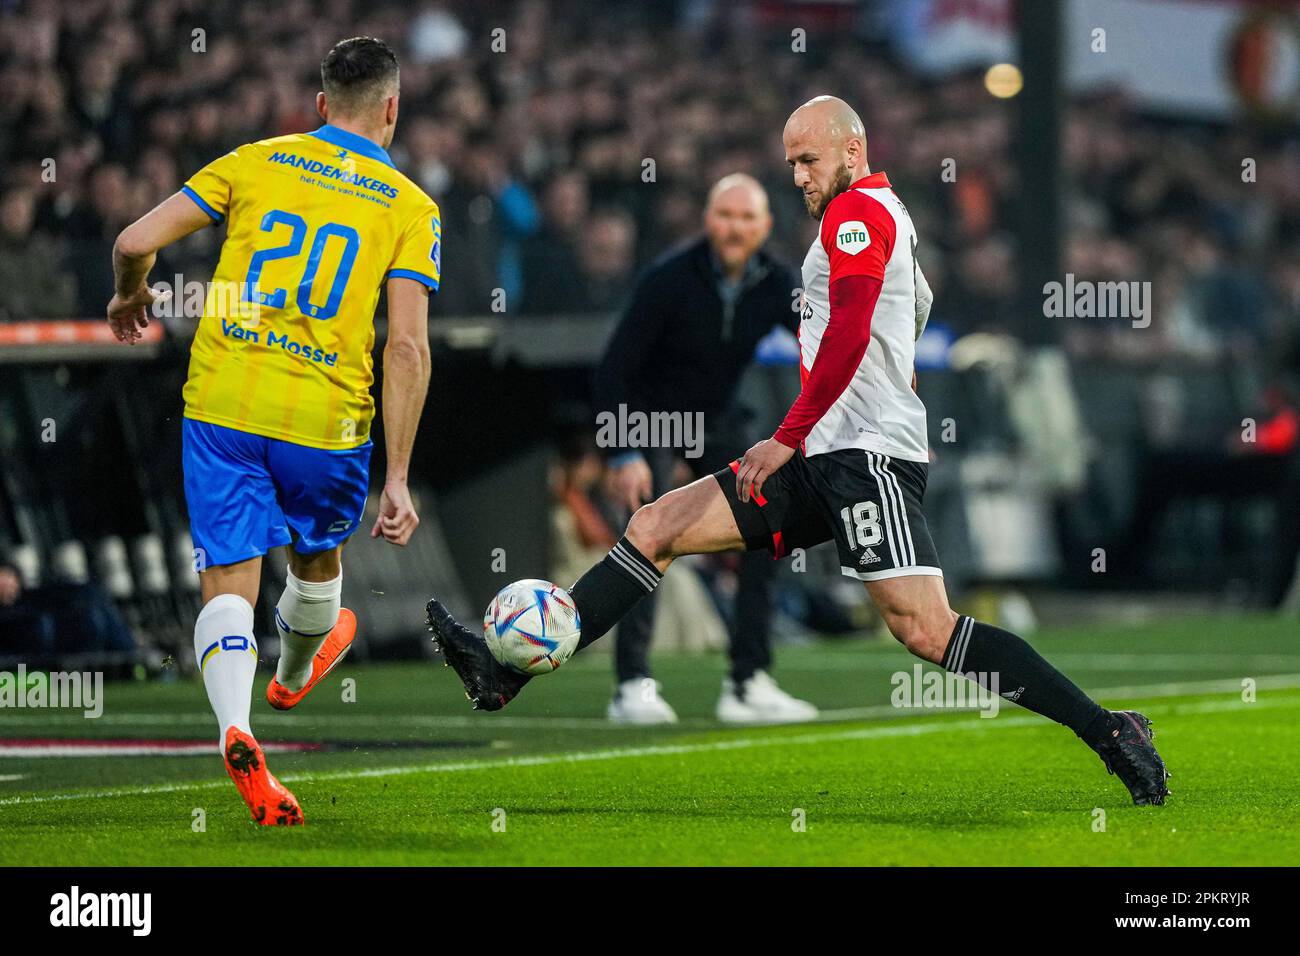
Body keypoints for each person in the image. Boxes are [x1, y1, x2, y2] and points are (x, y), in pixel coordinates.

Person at [427, 95, 1171, 807]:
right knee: (656, 527)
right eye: (791, 165)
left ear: (855, 149)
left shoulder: (858, 213)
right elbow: (898, 314)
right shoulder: (876, 216)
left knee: (924, 628)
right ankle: (500, 676)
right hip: (825, 451)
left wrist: (785, 437)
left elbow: (849, 333)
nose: (799, 178)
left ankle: (1109, 730)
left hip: (864, 457)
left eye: (809, 160)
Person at [106, 37, 437, 825]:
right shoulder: (410, 207)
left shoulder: (257, 159)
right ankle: (291, 675)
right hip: (325, 420)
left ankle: (237, 726)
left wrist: (130, 296)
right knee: (318, 557)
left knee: (227, 580)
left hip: (223, 403)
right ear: (392, 109)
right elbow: (408, 346)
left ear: (320, 106)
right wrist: (397, 475)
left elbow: (131, 242)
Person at [594, 173, 816, 724]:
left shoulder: (778, 282)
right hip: (654, 418)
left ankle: (748, 681)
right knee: (648, 534)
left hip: (717, 419)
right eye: (725, 215)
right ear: (707, 221)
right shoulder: (668, 278)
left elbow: (821, 345)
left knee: (771, 525)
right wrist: (623, 453)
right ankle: (632, 686)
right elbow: (614, 370)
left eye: (747, 218)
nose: (735, 227)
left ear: (765, 227)